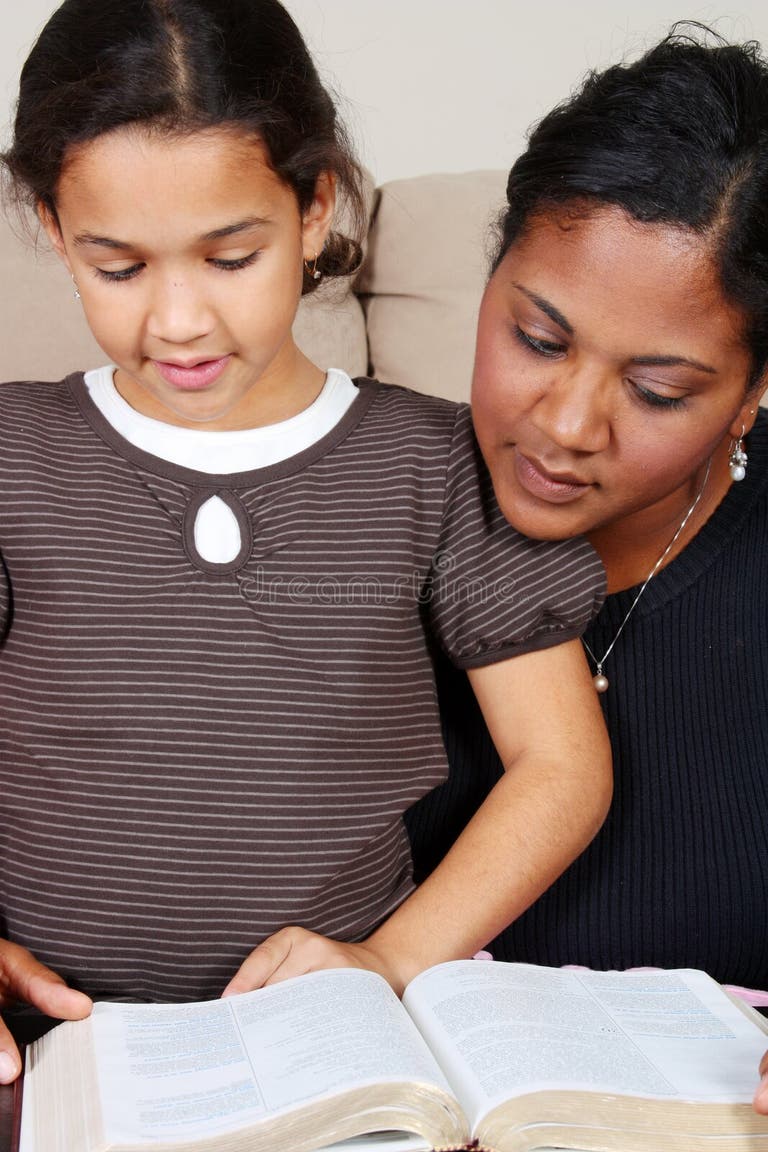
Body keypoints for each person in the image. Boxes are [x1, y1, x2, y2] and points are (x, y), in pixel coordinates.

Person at [0, 0, 613, 1085]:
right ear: (52, 224)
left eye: (230, 257)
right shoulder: (13, 450)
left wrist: (387, 959)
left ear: (316, 204)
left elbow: (559, 764)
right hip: (48, 1051)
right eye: (119, 267)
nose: (179, 320)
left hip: (330, 1055)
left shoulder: (431, 463)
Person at [405, 23, 768, 1112]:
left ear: (753, 392)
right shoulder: (339, 498)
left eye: (658, 392)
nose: (565, 426)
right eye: (538, 337)